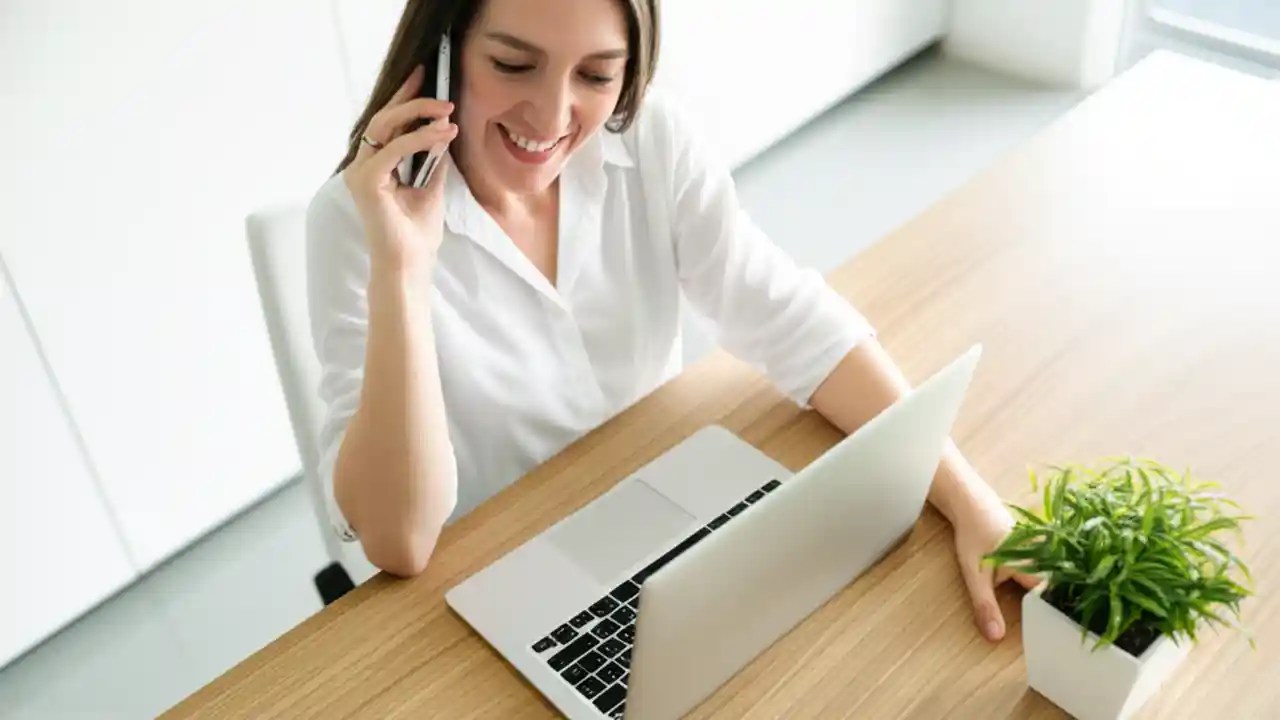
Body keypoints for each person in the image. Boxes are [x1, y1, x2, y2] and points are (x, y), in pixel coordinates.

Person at [306, 0, 1036, 642]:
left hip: (663, 528)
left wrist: (967, 497)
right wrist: (402, 268)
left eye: (595, 76)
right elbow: (398, 540)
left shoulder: (649, 139)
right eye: (513, 64)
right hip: (502, 590)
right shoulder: (354, 223)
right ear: (443, 50)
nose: (552, 117)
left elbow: (790, 318)